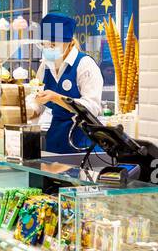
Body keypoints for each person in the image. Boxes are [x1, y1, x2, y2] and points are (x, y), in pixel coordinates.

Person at [26, 12, 103, 154]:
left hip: (82, 140)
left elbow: (92, 108)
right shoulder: (45, 66)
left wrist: (55, 97)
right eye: (44, 44)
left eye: (53, 44)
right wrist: (28, 109)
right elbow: (38, 103)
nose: (48, 49)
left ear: (68, 43)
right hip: (55, 138)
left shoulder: (85, 64)